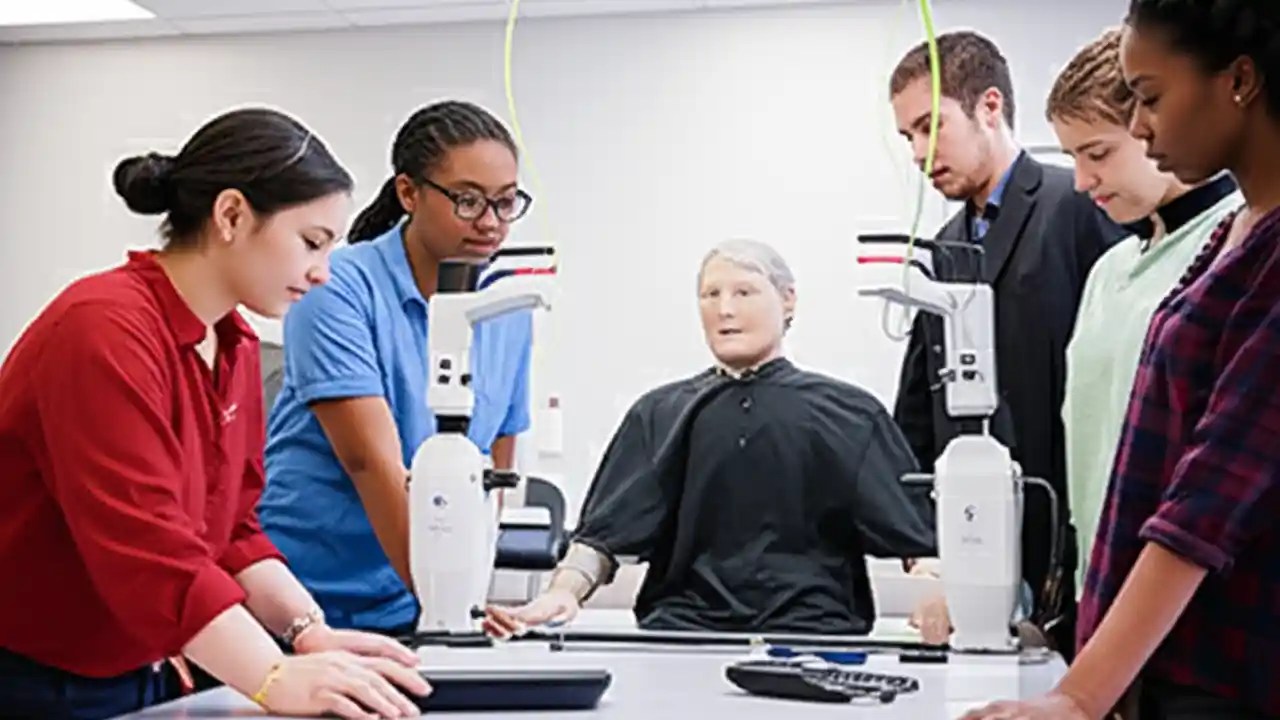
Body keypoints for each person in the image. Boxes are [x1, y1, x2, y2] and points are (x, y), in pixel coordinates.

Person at [0, 108, 429, 720]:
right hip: (33, 678)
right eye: (310, 242)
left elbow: (229, 532)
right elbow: (147, 547)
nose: (321, 272)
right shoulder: (102, 330)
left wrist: (309, 631)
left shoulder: (231, 344)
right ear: (231, 215)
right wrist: (274, 676)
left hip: (140, 670)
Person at [963, 2, 1280, 719]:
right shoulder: (1219, 241)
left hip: (1218, 658)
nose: (1141, 125)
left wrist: (1080, 696)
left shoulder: (1258, 256)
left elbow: (1209, 496)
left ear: (1239, 80)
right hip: (1136, 637)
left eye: (1151, 99)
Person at [485, 239, 936, 637]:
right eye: (710, 294)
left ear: (788, 300)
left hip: (815, 637)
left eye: (744, 292)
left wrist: (939, 591)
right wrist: (563, 593)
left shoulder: (851, 415)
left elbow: (917, 540)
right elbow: (602, 539)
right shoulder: (659, 415)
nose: (725, 309)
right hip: (683, 635)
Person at [887, 30, 1127, 655]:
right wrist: (923, 548)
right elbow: (918, 408)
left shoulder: (1077, 208)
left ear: (989, 107)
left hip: (1073, 544)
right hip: (976, 544)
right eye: (906, 137)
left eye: (928, 127)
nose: (917, 152)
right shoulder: (942, 250)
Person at [259, 100, 536, 636]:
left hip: (414, 604)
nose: (490, 223)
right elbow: (371, 463)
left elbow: (491, 478)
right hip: (305, 604)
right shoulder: (336, 288)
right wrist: (447, 609)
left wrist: (468, 599)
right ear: (409, 192)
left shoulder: (506, 311)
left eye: (505, 203)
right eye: (468, 200)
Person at [1047, 28, 1242, 593]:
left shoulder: (1235, 245)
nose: (1083, 182)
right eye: (1072, 158)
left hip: (1189, 590)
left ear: (1152, 123)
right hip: (1099, 580)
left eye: (1098, 154)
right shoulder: (1109, 272)